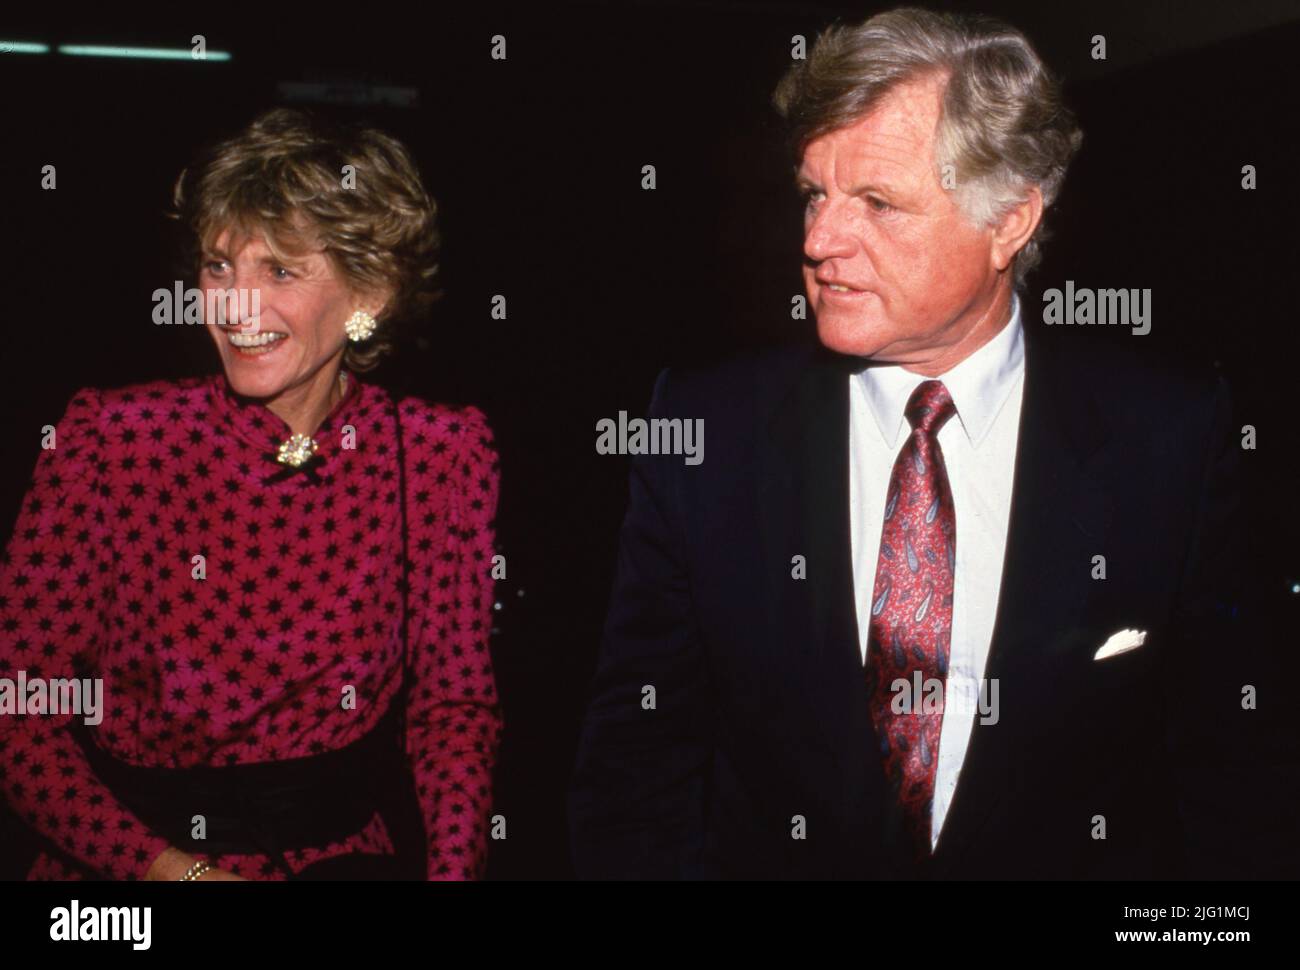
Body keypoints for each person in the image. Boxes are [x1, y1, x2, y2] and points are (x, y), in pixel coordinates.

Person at [569, 7, 1288, 879]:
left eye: (877, 201)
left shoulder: (1168, 435)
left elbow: (1234, 779)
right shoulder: (705, 434)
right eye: (814, 194)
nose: (818, 241)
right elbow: (635, 776)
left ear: (1010, 221)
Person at [0, 108, 503, 880]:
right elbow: (19, 716)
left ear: (371, 291)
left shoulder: (439, 456)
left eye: (279, 271)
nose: (234, 306)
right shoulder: (112, 442)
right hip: (126, 873)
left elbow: (451, 714)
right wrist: (173, 873)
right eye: (217, 267)